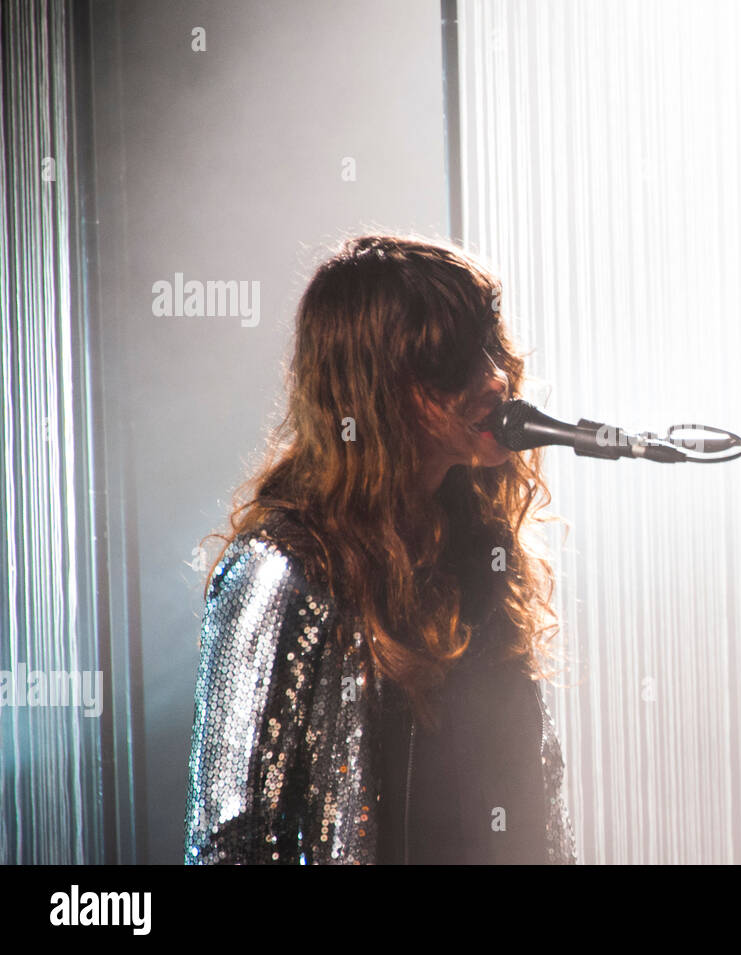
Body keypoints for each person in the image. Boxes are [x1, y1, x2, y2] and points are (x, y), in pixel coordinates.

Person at [183, 234, 576, 864]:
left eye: (489, 346)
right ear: (376, 386)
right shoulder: (282, 569)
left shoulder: (478, 547)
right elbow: (230, 842)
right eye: (453, 361)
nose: (496, 379)